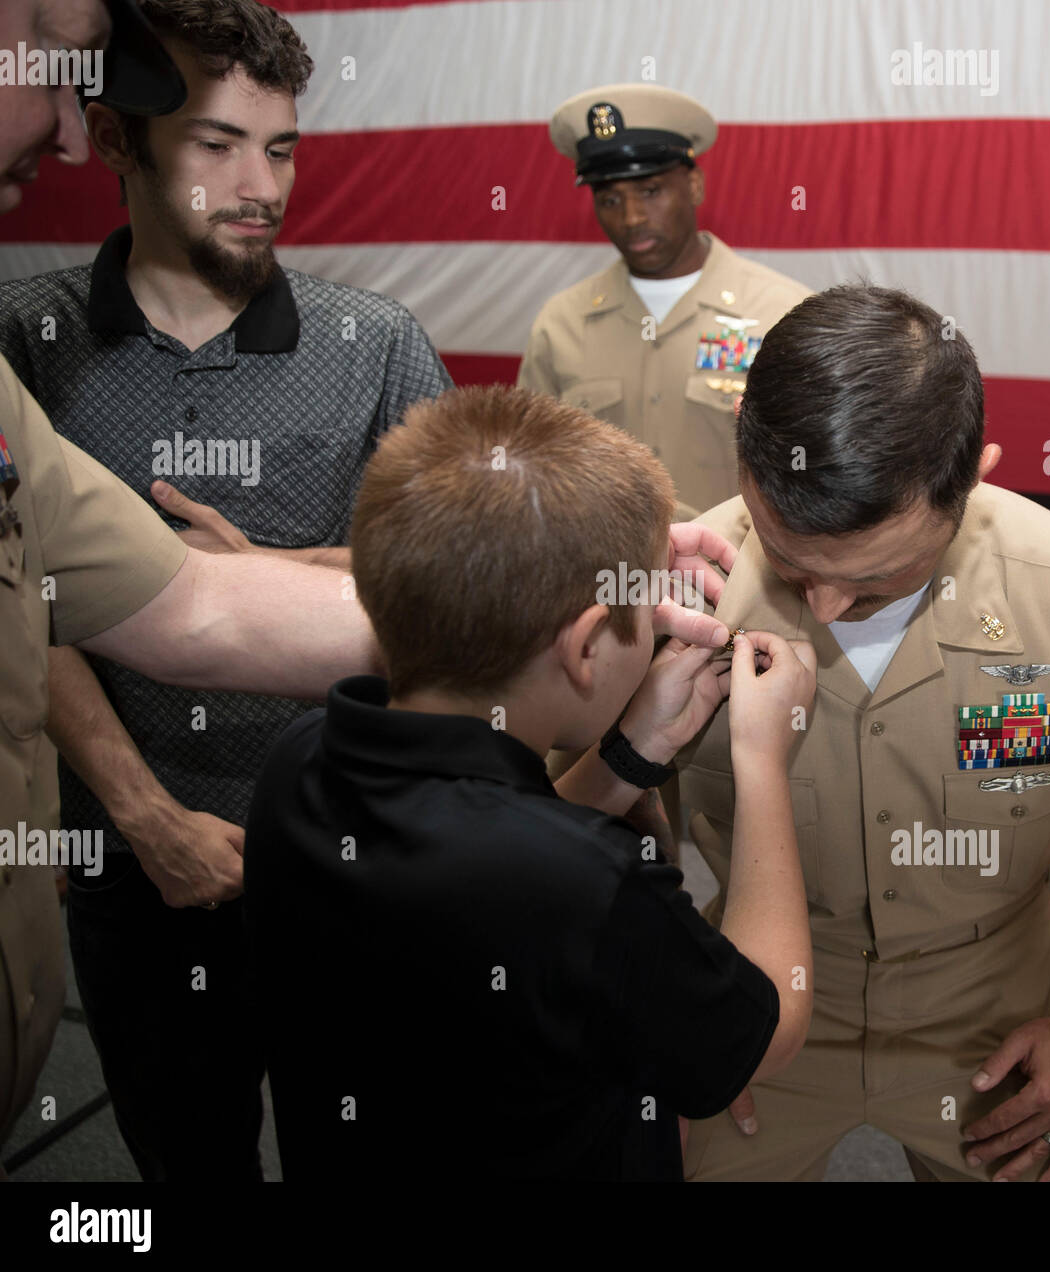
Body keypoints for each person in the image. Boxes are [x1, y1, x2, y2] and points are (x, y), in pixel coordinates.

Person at [673, 283, 1050, 1182]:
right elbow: (599, 811)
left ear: (975, 474)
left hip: (996, 1014)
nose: (827, 607)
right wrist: (661, 1004)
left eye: (876, 580)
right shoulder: (680, 593)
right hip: (758, 1001)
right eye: (789, 563)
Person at [0, 0, 452, 1181]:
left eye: (283, 146)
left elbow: (455, 581)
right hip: (129, 861)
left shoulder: (380, 345)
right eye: (214, 144)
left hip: (355, 860)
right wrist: (145, 817)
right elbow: (20, 603)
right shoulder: (23, 344)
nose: (261, 184)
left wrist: (260, 569)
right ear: (111, 140)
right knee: (180, 1158)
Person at [243, 385, 818, 1180]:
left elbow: (484, 864)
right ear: (586, 649)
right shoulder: (595, 883)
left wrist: (626, 755)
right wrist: (761, 758)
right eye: (645, 604)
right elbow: (770, 1024)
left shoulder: (298, 762)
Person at [517, 83, 810, 519]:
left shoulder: (780, 314)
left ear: (693, 185)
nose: (631, 218)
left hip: (741, 577)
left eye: (650, 191)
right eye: (610, 198)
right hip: (599, 577)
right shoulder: (562, 324)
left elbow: (818, 474)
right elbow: (530, 471)